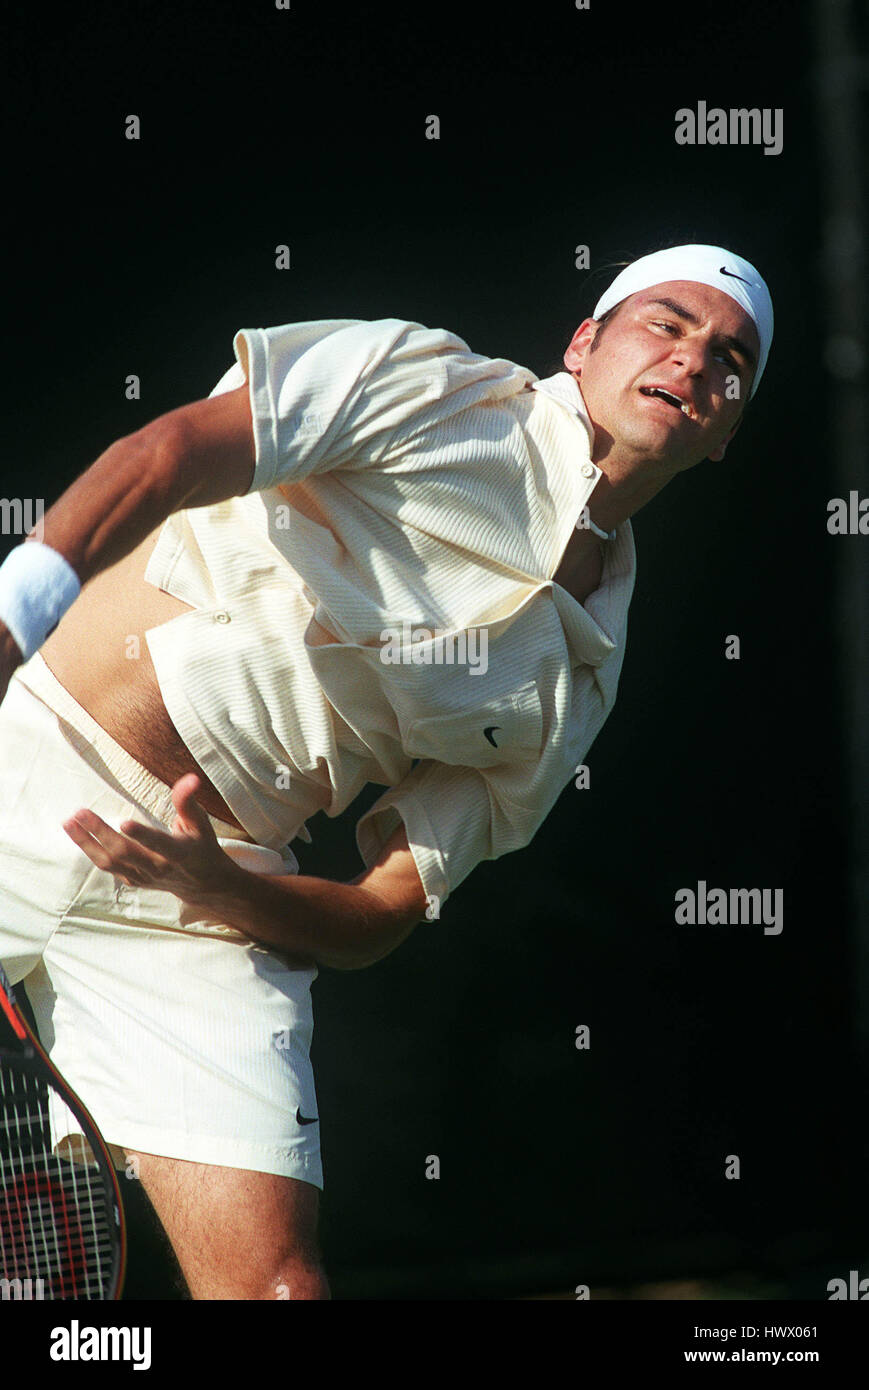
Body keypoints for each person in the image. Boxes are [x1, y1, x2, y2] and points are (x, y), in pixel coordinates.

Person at [0, 243, 772, 1299]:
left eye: (730, 360)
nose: (695, 361)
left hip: (202, 896)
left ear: (726, 431)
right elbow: (173, 449)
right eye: (666, 324)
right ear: (583, 343)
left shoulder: (579, 681)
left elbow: (381, 911)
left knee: (279, 1291)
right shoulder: (427, 385)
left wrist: (223, 887)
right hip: (28, 747)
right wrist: (11, 617)